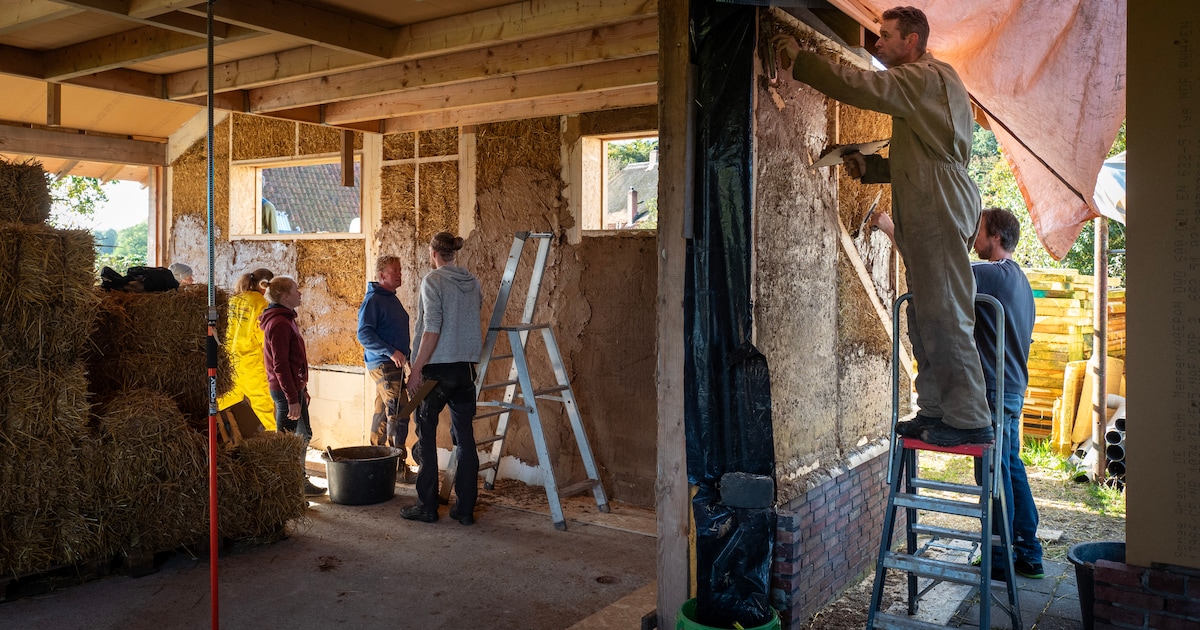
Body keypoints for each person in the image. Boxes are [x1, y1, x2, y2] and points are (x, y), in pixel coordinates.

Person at [775, 6, 992, 447]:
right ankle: (934, 409)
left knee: (946, 311)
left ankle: (969, 418)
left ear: (911, 40)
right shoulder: (924, 85)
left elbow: (867, 86)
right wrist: (873, 167)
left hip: (938, 203)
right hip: (929, 199)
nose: (877, 44)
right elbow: (921, 160)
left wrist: (803, 60)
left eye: (886, 35)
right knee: (926, 312)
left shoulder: (923, 76)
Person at [878, 208, 1043, 579]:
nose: (971, 237)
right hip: (1013, 389)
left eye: (978, 230)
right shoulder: (1020, 280)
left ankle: (999, 560)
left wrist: (892, 230)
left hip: (995, 391)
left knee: (993, 473)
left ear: (996, 236)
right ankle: (1029, 554)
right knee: (1011, 468)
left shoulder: (993, 275)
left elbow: (937, 273)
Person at [401, 232, 483, 526]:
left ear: (433, 252)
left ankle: (426, 507)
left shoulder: (432, 281)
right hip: (465, 371)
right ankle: (465, 510)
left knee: (426, 435)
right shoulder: (472, 282)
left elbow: (432, 329)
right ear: (452, 254)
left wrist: (416, 369)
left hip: (435, 372)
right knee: (465, 440)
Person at [260, 276, 326, 497]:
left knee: (303, 435)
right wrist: (292, 399)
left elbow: (292, 361)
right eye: (296, 290)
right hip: (284, 390)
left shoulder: (286, 319)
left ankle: (298, 481)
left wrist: (301, 389)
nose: (300, 293)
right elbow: (280, 365)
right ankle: (287, 489)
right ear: (285, 296)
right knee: (288, 441)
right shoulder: (279, 323)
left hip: (291, 388)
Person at [357, 255, 417, 482]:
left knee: (382, 411)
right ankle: (398, 468)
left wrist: (408, 356)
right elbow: (364, 334)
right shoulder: (374, 300)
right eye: (395, 271)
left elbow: (396, 333)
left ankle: (375, 460)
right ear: (381, 275)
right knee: (399, 410)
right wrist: (391, 352)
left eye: (400, 270)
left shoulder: (390, 298)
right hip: (385, 364)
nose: (400, 274)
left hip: (393, 363)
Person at [217, 268, 278, 432]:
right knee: (262, 403)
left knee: (228, 399)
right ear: (264, 285)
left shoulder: (234, 300)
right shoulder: (261, 305)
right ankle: (272, 442)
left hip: (231, 361)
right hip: (252, 363)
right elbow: (264, 338)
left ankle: (221, 432)